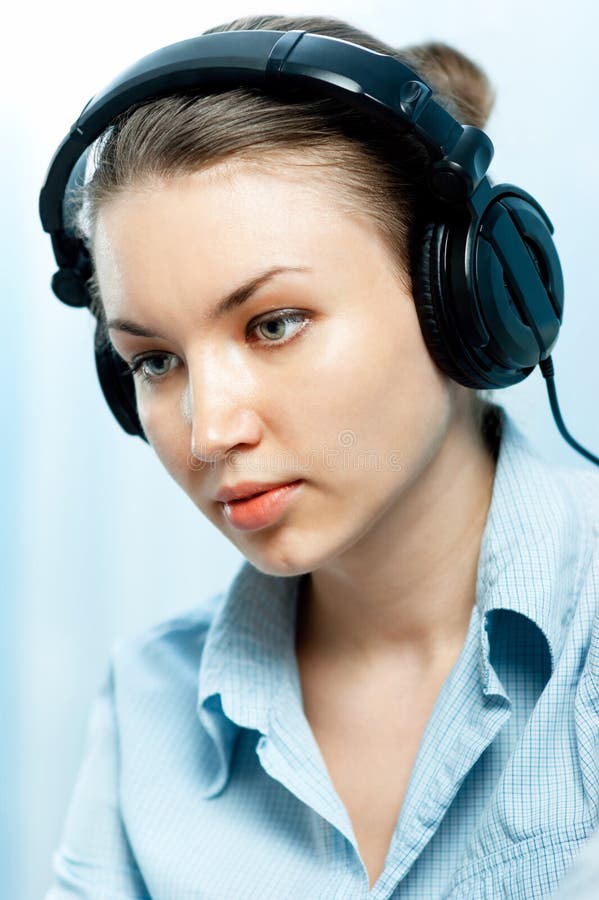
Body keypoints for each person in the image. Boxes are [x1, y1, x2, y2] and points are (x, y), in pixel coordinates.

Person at [43, 13, 599, 900]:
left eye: (274, 324)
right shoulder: (149, 704)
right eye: (154, 360)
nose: (207, 430)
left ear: (462, 299)